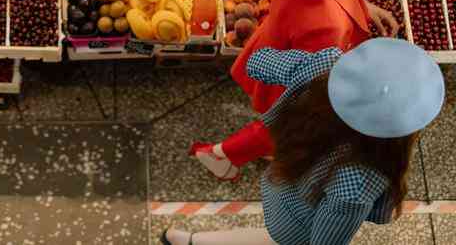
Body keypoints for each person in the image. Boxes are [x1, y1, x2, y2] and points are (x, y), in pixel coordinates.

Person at [191, 0, 401, 180]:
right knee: (290, 121)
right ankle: (222, 154)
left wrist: (365, 6)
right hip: (298, 67)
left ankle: (227, 153)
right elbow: (316, 82)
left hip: (277, 39)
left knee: (282, 117)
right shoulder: (327, 25)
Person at [163, 38, 444, 245]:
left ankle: (190, 241)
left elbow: (257, 62)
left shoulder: (327, 65)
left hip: (279, 181)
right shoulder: (361, 181)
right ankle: (191, 242)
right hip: (298, 221)